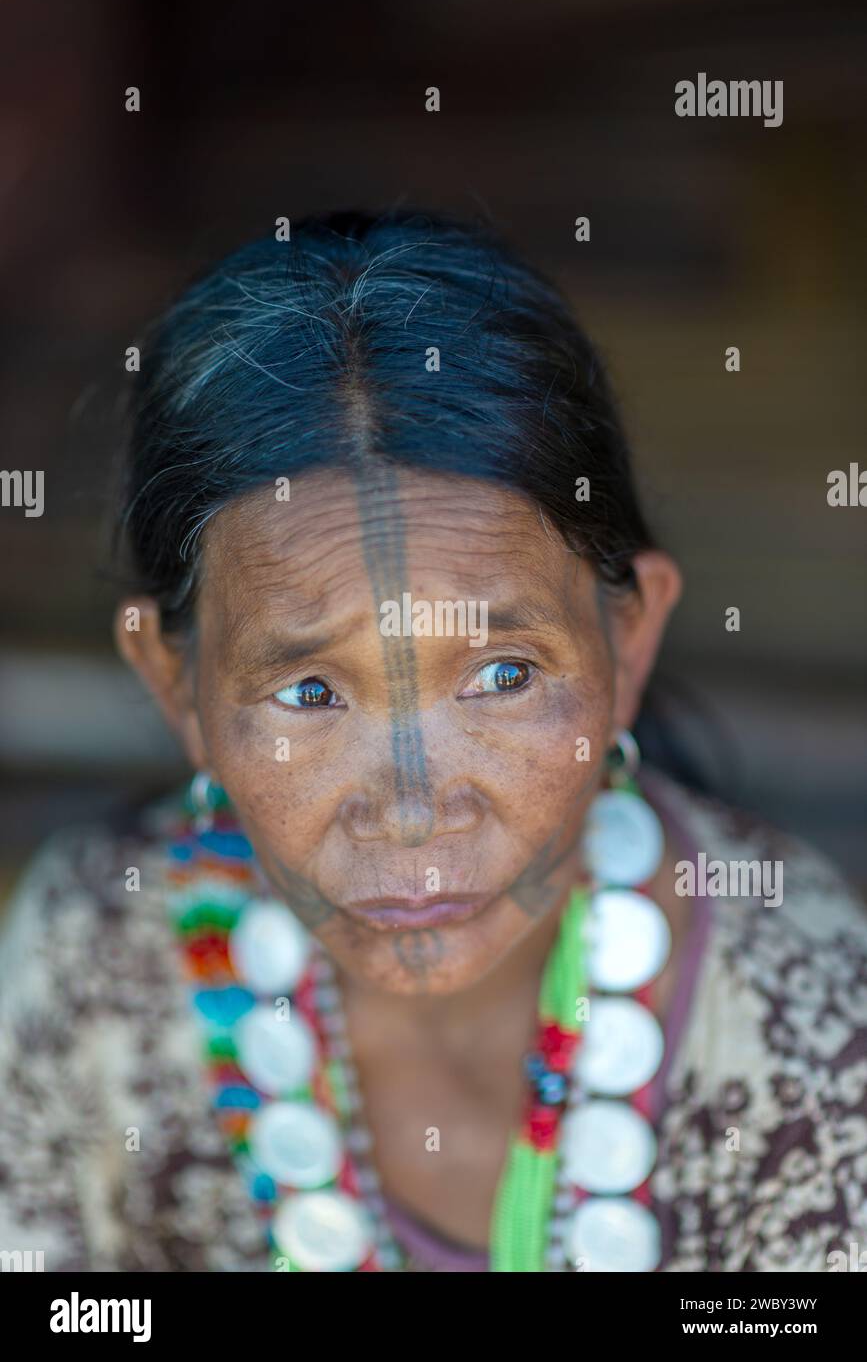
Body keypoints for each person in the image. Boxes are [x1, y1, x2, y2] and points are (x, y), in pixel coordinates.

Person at [0, 209, 864, 1273]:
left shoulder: (807, 1034)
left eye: (504, 675)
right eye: (309, 690)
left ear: (627, 644)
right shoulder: (96, 966)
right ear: (175, 683)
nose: (412, 810)